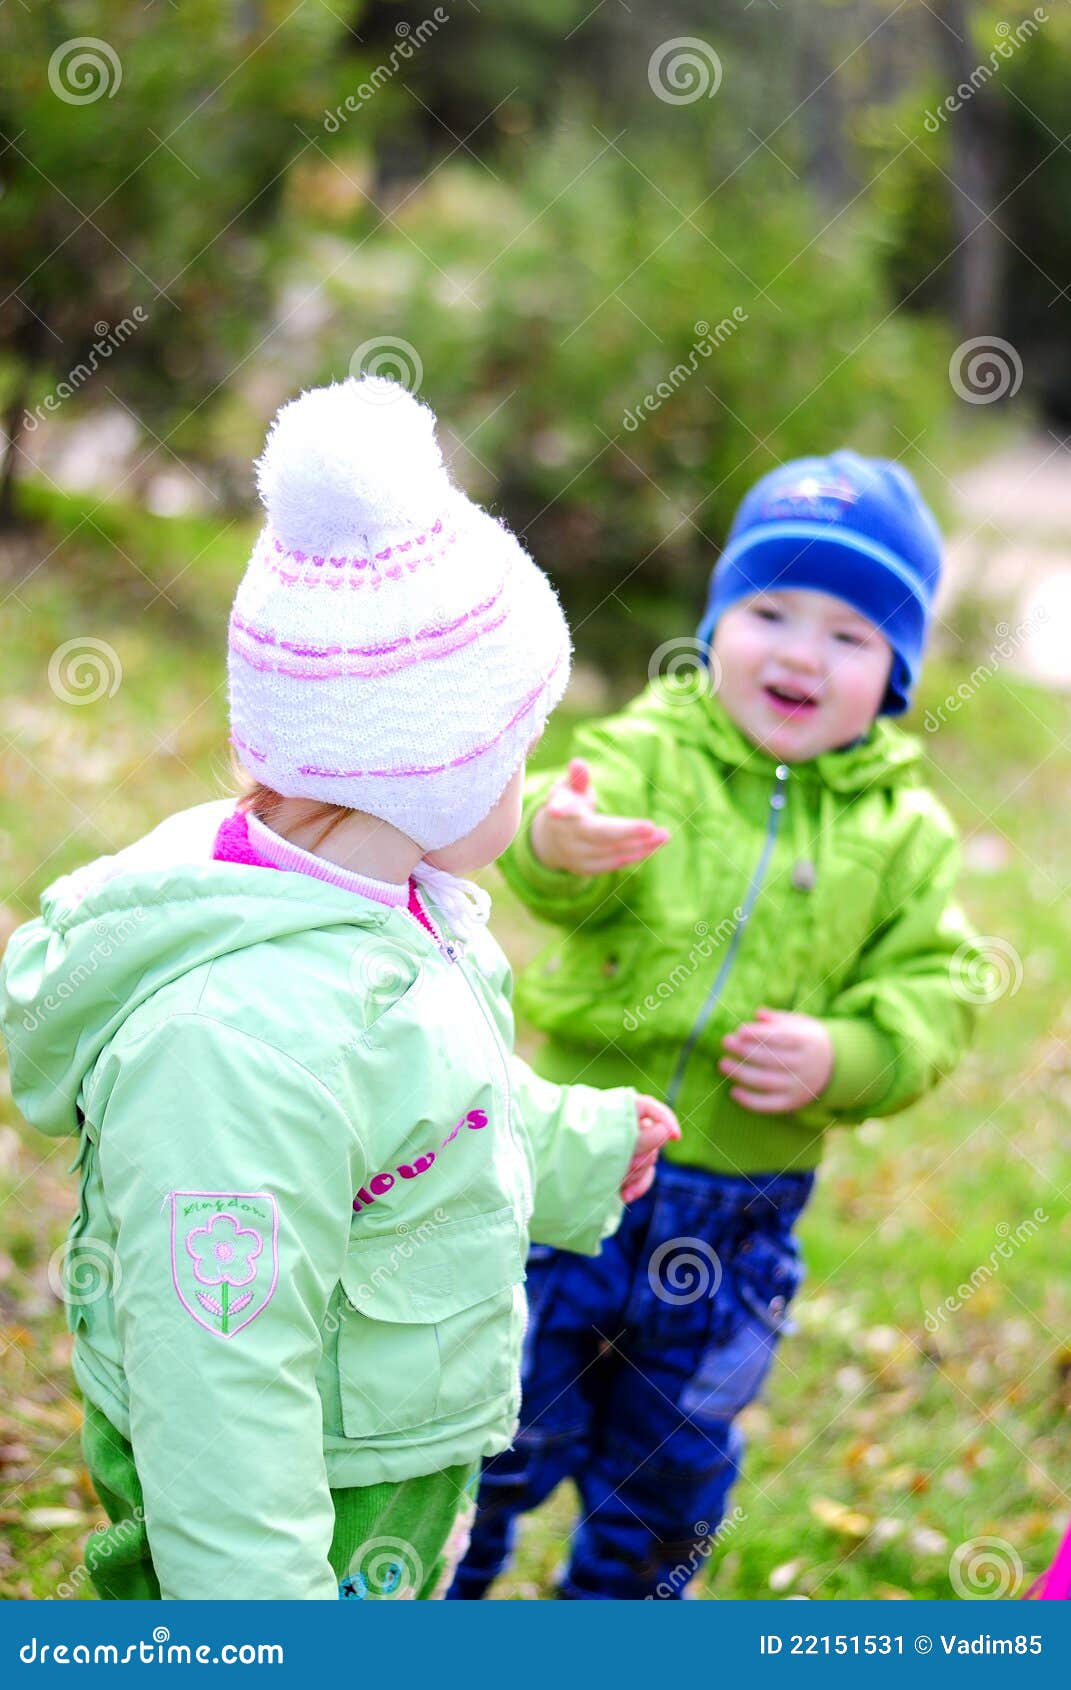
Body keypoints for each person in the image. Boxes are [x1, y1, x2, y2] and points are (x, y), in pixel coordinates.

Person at [0, 376, 678, 1601]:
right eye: (514, 742)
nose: (528, 772)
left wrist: (572, 1142)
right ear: (430, 766)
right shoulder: (237, 1043)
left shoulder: (390, 906)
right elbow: (218, 1387)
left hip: (382, 1461)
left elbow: (427, 1106)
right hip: (293, 1521)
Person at [449, 451, 981, 1600]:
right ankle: (437, 1607)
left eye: (848, 632)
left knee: (669, 1474)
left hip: (739, 1216)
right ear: (719, 620)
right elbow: (556, 817)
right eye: (770, 609)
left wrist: (856, 1054)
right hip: (571, 1167)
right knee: (484, 1425)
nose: (798, 649)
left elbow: (940, 982)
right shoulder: (656, 747)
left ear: (895, 671)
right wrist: (554, 840)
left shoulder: (905, 832)